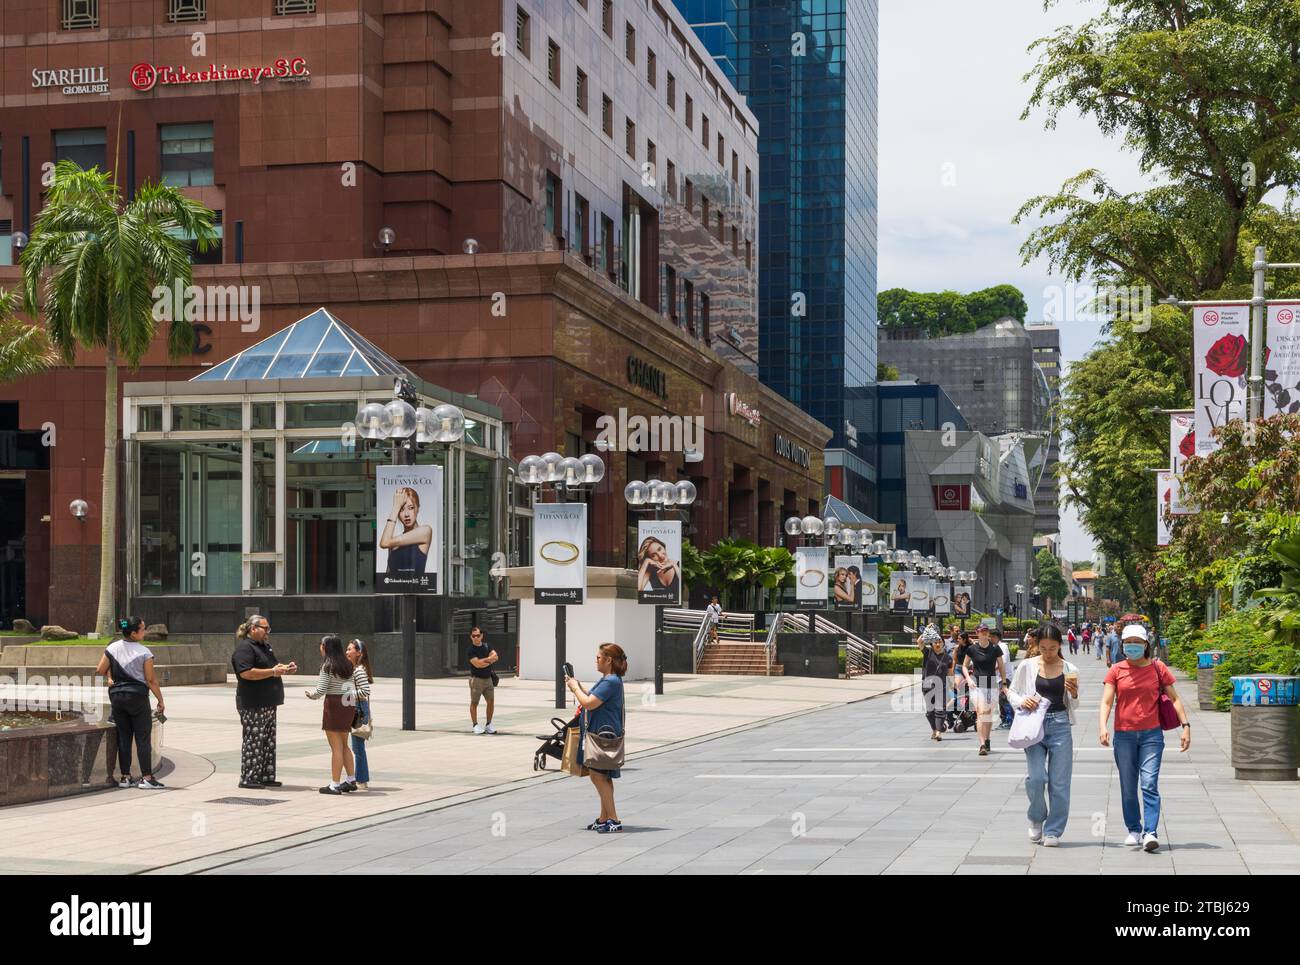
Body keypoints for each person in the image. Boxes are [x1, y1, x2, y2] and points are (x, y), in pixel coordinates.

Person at [1098, 623, 1191, 852]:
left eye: (1137, 643)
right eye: (1128, 643)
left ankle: (1150, 831)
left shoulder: (1158, 668)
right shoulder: (1116, 670)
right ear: (1123, 645)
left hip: (1152, 735)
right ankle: (1134, 829)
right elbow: (1107, 701)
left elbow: (1175, 698)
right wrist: (1103, 726)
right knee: (1128, 786)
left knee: (1149, 784)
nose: (1132, 647)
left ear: (1146, 645)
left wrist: (1186, 725)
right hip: (1124, 735)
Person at [1007, 623, 1078, 846]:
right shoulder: (1027, 666)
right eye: (1044, 648)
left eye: (1053, 648)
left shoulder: (1069, 668)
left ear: (1060, 645)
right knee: (1037, 777)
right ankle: (1037, 818)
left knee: (1059, 782)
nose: (1048, 653)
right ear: (1037, 645)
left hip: (1060, 725)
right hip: (1033, 724)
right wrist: (1021, 701)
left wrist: (1074, 693)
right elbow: (1011, 692)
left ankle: (1053, 831)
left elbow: (1074, 705)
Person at [96, 617, 166, 789]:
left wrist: (110, 677)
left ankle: (125, 777)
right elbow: (150, 680)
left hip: (117, 697)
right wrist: (160, 700)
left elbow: (99, 669)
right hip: (137, 698)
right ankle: (147, 778)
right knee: (142, 738)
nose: (145, 631)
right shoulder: (144, 652)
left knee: (124, 738)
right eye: (143, 629)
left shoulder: (112, 648)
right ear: (134, 633)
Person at [565, 643, 628, 833]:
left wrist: (575, 688)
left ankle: (614, 819)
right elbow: (591, 698)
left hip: (602, 735)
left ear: (609, 660)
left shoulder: (610, 682)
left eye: (599, 657)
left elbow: (589, 704)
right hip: (601, 733)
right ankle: (604, 817)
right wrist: (577, 686)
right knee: (602, 776)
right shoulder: (608, 679)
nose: (596, 660)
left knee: (599, 776)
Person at [232, 615, 294, 790]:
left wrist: (284, 669)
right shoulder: (245, 648)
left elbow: (270, 667)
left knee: (267, 741)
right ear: (253, 628)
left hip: (268, 702)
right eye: (265, 628)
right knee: (254, 740)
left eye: (268, 628)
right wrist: (273, 672)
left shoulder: (264, 647)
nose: (268, 632)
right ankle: (249, 778)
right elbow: (246, 673)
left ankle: (265, 775)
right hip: (253, 702)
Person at [305, 634, 358, 794]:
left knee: (336, 748)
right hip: (348, 704)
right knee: (344, 745)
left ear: (326, 647)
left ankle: (334, 784)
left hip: (334, 705)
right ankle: (351, 779)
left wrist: (311, 694)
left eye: (321, 645)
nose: (320, 647)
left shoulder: (327, 665)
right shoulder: (347, 665)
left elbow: (321, 690)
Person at [961, 625, 1007, 756]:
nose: (984, 633)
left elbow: (1001, 666)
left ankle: (987, 739)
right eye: (981, 631)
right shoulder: (972, 649)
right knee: (981, 713)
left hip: (991, 683)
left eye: (986, 631)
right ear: (977, 633)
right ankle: (981, 744)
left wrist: (1003, 683)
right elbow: (964, 666)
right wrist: (969, 679)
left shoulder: (995, 648)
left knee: (988, 714)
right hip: (976, 683)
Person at [380, 486, 432, 574]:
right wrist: (396, 507)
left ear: (418, 508)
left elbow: (384, 543)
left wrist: (396, 506)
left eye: (411, 508)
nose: (406, 514)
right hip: (394, 587)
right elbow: (388, 573)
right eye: (401, 509)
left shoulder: (425, 531)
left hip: (416, 587)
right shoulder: (393, 543)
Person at [346, 639, 374, 790]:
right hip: (357, 708)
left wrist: (348, 693)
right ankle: (360, 778)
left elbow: (365, 691)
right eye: (347, 649)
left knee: (358, 748)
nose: (347, 652)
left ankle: (361, 780)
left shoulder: (359, 670)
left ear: (359, 653)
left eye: (350, 649)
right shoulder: (355, 668)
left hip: (359, 709)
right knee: (357, 747)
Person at [921, 627, 951, 741]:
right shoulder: (928, 652)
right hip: (927, 686)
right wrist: (927, 630)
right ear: (932, 643)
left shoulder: (948, 658)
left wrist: (952, 686)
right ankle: (934, 729)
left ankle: (938, 732)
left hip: (941, 687)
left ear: (943, 643)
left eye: (940, 642)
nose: (938, 644)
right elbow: (920, 642)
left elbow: (950, 673)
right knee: (930, 712)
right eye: (935, 642)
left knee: (940, 709)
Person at [467, 625, 498, 734]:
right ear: (471, 637)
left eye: (478, 635)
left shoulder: (487, 646)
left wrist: (484, 661)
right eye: (473, 636)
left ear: (482, 636)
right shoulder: (471, 650)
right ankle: (475, 725)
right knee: (474, 702)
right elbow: (478, 664)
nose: (476, 637)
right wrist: (489, 660)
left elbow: (496, 656)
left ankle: (489, 724)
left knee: (491, 702)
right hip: (476, 680)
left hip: (488, 679)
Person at [993, 628, 1014, 729]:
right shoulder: (995, 647)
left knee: (1004, 699)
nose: (989, 639)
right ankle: (1004, 720)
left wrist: (990, 668)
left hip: (1005, 677)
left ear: (995, 637)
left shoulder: (1002, 646)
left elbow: (1003, 662)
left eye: (990, 637)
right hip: (998, 678)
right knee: (1001, 700)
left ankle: (1009, 720)